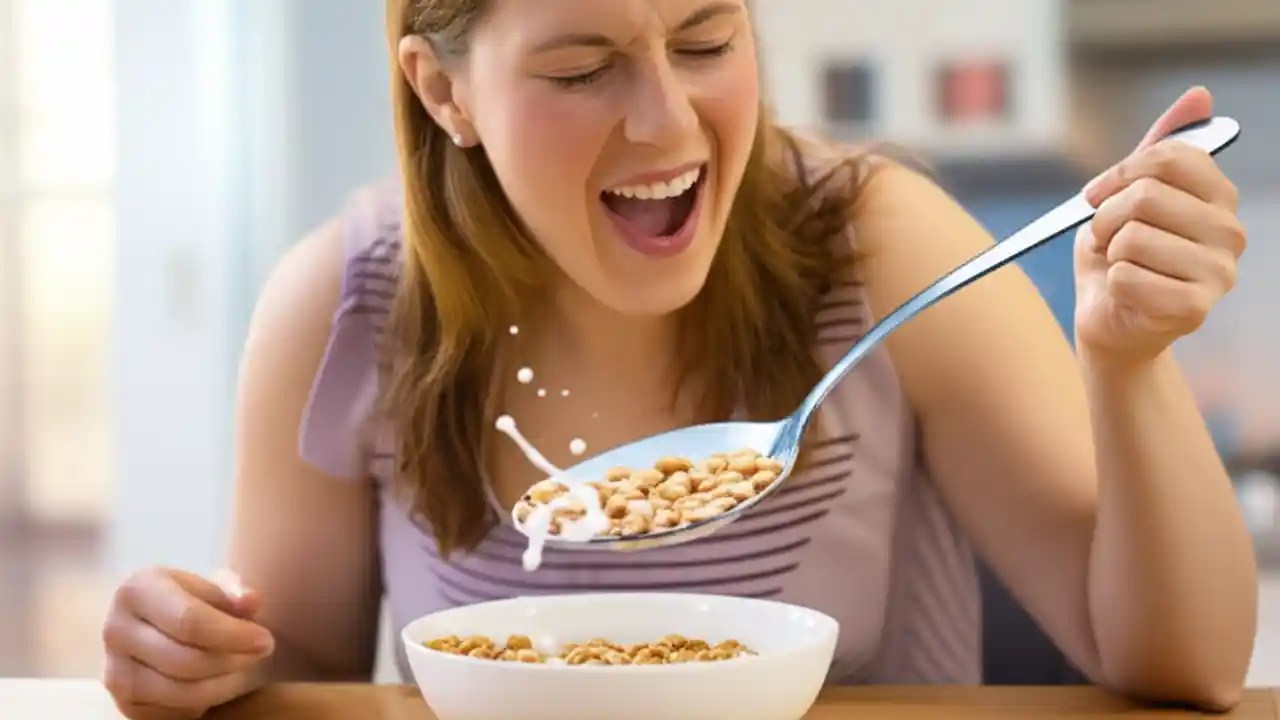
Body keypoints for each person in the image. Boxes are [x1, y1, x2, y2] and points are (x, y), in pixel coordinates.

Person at [100, 0, 1259, 717]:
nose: (663, 122)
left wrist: (1127, 361)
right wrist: (200, 658)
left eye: (706, 37)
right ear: (443, 89)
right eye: (578, 68)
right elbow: (294, 662)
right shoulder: (344, 305)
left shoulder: (880, 243)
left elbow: (1185, 668)